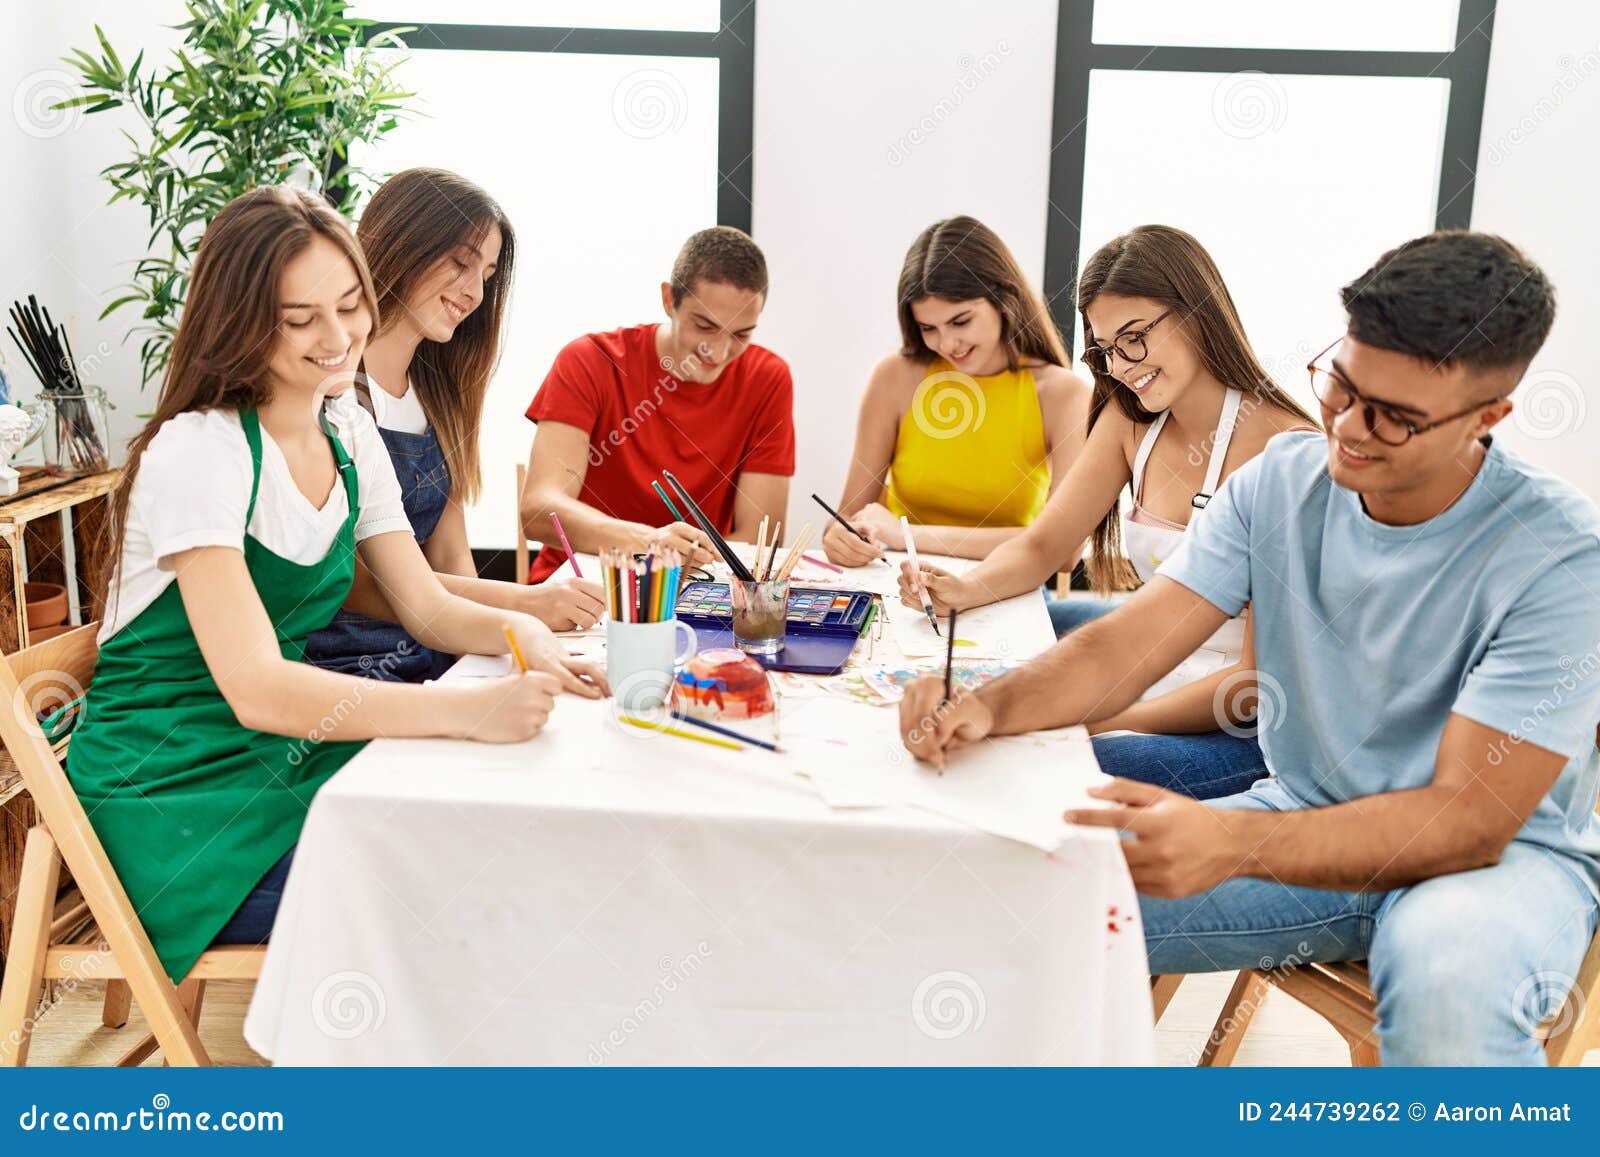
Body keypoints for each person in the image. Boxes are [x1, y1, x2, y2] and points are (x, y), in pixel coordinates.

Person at [899, 230, 1600, 1065]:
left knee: (1447, 983)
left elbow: (1468, 821)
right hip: (1301, 815)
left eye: (1393, 416)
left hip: (1491, 870)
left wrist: (1228, 842)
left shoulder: (1559, 556)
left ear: (1489, 416)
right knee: (1026, 901)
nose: (1347, 425)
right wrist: (988, 705)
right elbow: (1132, 639)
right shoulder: (1279, 483)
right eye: (1341, 384)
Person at [68, 186, 603, 982]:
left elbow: (426, 603)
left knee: (500, 845)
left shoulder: (344, 424)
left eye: (350, 304)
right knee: (461, 900)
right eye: (299, 318)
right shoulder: (199, 450)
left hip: (281, 756)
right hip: (176, 798)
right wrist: (463, 710)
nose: (339, 337)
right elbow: (255, 688)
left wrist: (519, 628)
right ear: (242, 320)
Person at [898, 225, 1318, 799]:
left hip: (1237, 730)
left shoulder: (1284, 454)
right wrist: (965, 590)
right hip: (1151, 674)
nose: (1121, 365)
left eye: (1135, 337)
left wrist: (1098, 722)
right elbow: (1044, 546)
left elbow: (1253, 685)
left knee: (1041, 767)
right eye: (1106, 348)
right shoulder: (1131, 422)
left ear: (1198, 312)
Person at [304, 168, 606, 683]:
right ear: (401, 242)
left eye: (487, 277)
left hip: (433, 644)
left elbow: (450, 554)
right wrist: (525, 606)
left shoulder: (439, 396)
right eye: (461, 263)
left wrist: (488, 646)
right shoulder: (331, 390)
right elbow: (354, 582)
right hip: (342, 665)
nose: (474, 294)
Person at [520, 226, 795, 583]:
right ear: (669, 300)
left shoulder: (767, 378)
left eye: (741, 334)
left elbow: (757, 541)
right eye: (704, 326)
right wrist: (649, 543)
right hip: (580, 587)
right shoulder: (591, 361)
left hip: (692, 587)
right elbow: (538, 511)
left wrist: (676, 570)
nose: (719, 351)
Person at [821, 216, 1091, 565]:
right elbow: (851, 515)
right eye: (928, 328)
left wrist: (908, 536)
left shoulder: (1064, 394)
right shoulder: (894, 378)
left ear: (1003, 300)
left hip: (1006, 589)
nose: (947, 344)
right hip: (902, 581)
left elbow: (1064, 550)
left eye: (960, 321)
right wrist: (839, 537)